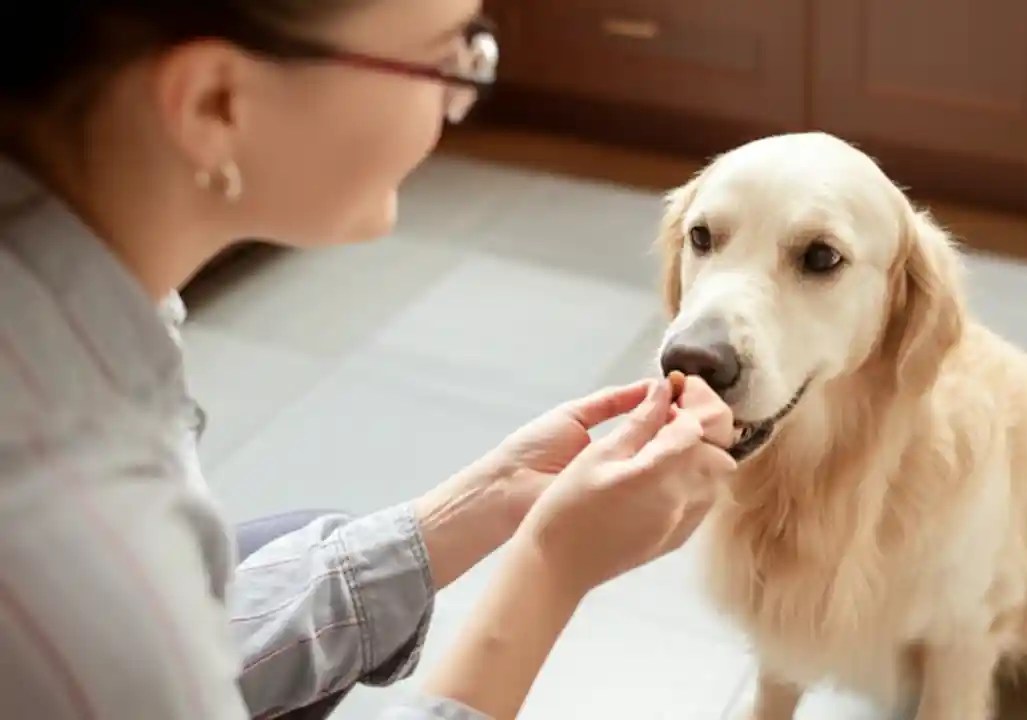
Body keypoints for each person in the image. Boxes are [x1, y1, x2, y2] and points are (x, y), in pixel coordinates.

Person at [0, 2, 738, 719]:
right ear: (217, 104)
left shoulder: (72, 287)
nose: (460, 98)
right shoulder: (68, 544)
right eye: (448, 56)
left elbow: (198, 642)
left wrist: (473, 508)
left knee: (319, 532)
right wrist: (549, 571)